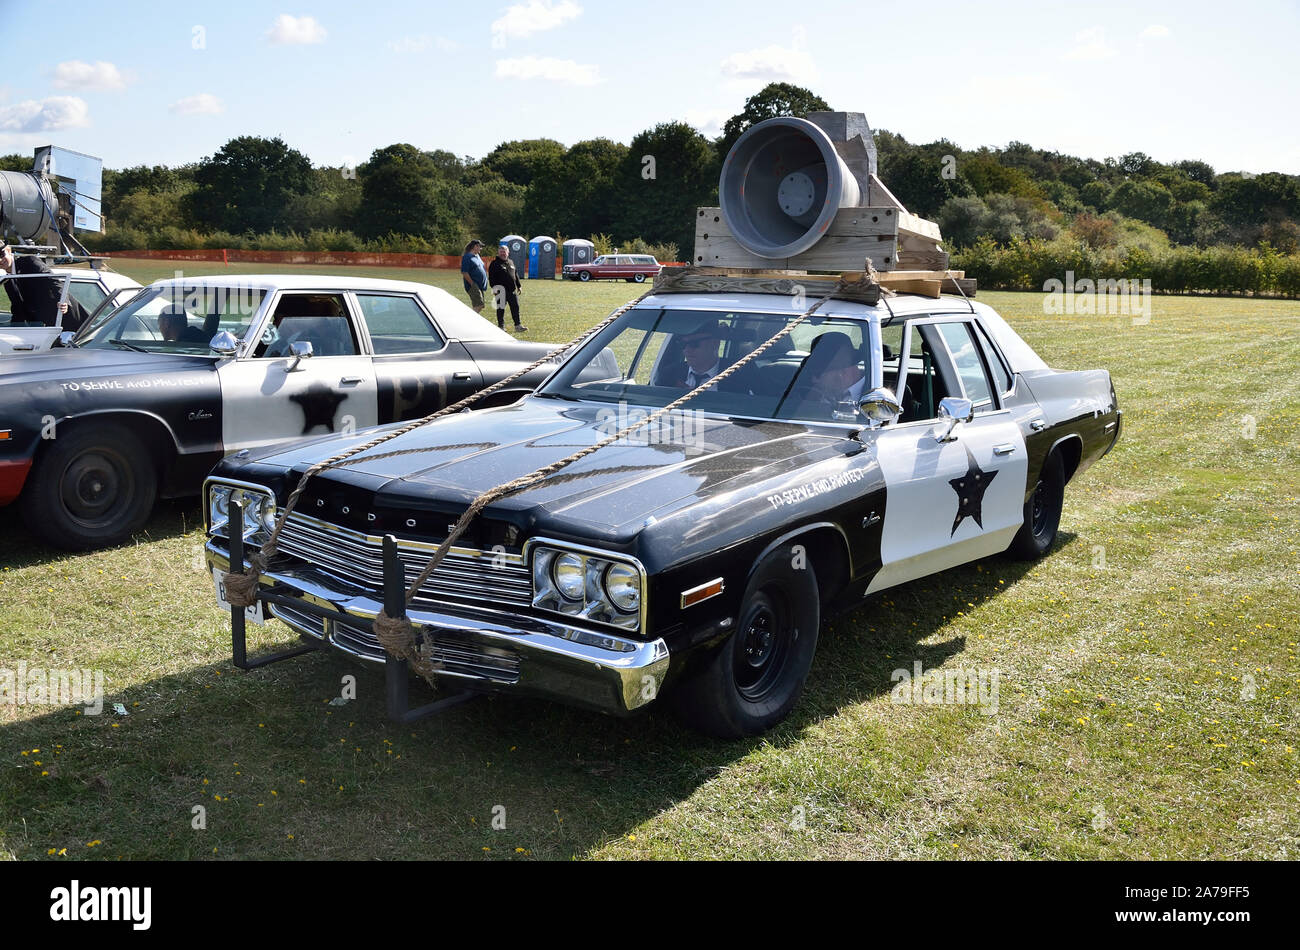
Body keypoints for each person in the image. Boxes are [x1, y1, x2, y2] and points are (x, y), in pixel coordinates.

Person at [791, 332, 867, 417]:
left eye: (818, 374)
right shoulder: (815, 395)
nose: (813, 380)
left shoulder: (876, 392)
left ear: (842, 373)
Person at [657, 319, 728, 389]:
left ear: (715, 344)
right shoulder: (669, 375)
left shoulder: (736, 378)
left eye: (694, 344)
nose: (687, 350)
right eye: (683, 344)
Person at [487, 243, 527, 332]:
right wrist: (494, 288)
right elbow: (491, 277)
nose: (502, 253)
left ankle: (518, 326)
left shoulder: (511, 262)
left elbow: (515, 274)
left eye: (504, 252)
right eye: (501, 252)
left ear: (508, 252)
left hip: (512, 290)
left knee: (515, 308)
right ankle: (501, 326)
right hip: (500, 290)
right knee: (501, 308)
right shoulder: (494, 263)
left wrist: (519, 286)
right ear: (498, 253)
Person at [460, 239, 489, 313]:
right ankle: (471, 320)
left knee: (480, 305)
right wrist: (472, 283)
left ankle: (474, 320)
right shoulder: (467, 257)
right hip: (472, 285)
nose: (481, 249)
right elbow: (464, 272)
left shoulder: (477, 256)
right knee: (478, 305)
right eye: (480, 247)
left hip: (480, 285)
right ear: (475, 246)